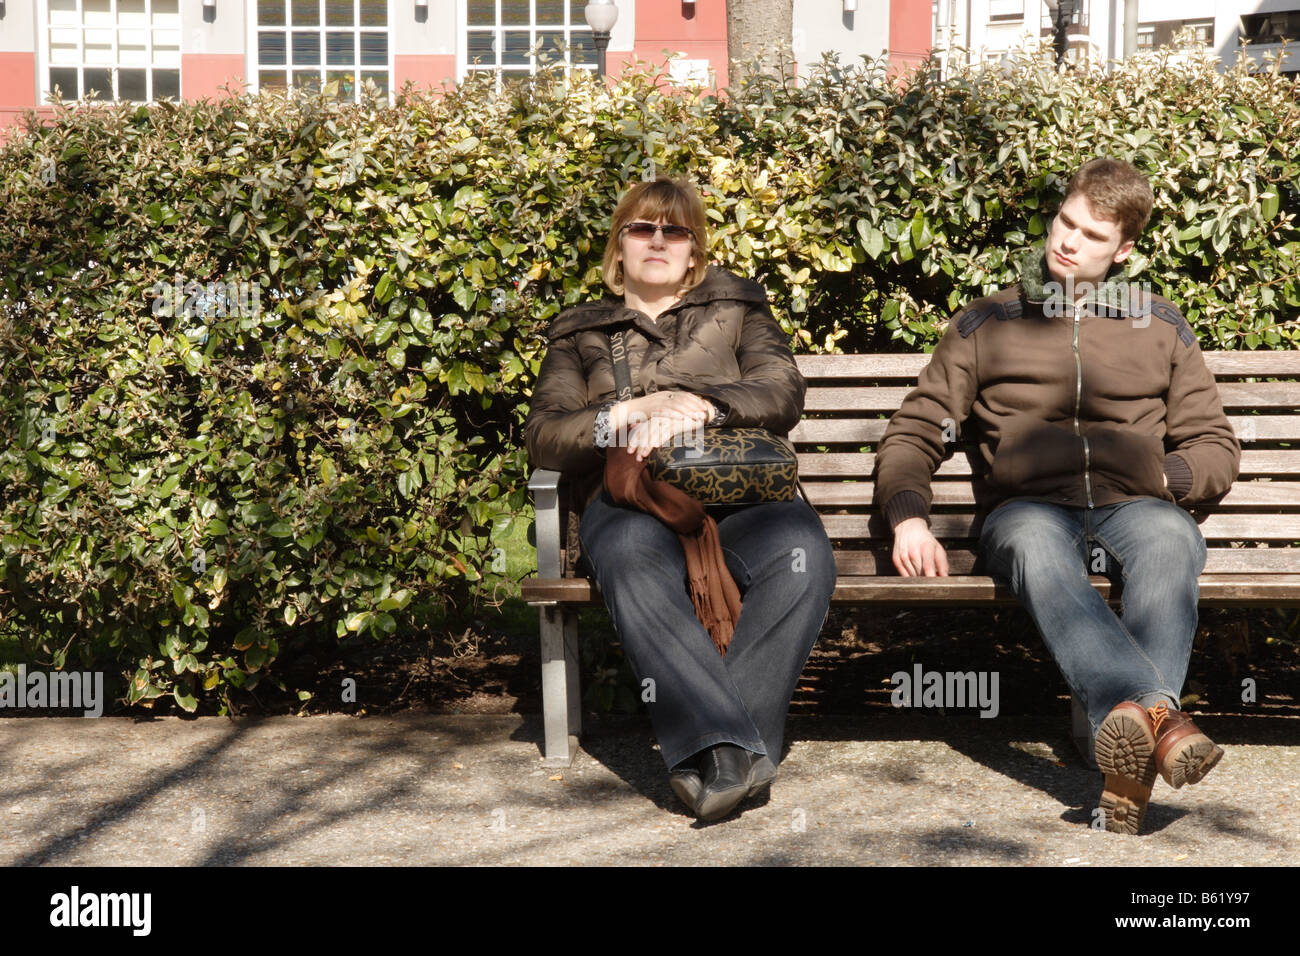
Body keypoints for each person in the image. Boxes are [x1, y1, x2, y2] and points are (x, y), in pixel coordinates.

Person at [874, 158, 1240, 835]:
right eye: (1065, 223)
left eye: (1091, 235)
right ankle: (1158, 727)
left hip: (1137, 505)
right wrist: (908, 517)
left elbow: (1214, 442)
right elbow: (919, 426)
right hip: (1027, 509)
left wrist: (1166, 482)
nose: (1068, 242)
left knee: (1171, 541)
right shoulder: (988, 323)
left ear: (1123, 249)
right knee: (1036, 549)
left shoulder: (1159, 325)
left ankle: (1129, 765)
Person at [525, 177, 835, 821]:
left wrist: (704, 409)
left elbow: (782, 392)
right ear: (620, 248)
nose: (658, 240)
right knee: (635, 566)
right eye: (643, 228)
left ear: (695, 251)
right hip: (632, 499)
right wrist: (629, 410)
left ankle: (720, 750)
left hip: (742, 491)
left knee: (802, 554)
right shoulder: (580, 332)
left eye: (675, 230)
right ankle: (739, 751)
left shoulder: (739, 308)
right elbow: (546, 436)